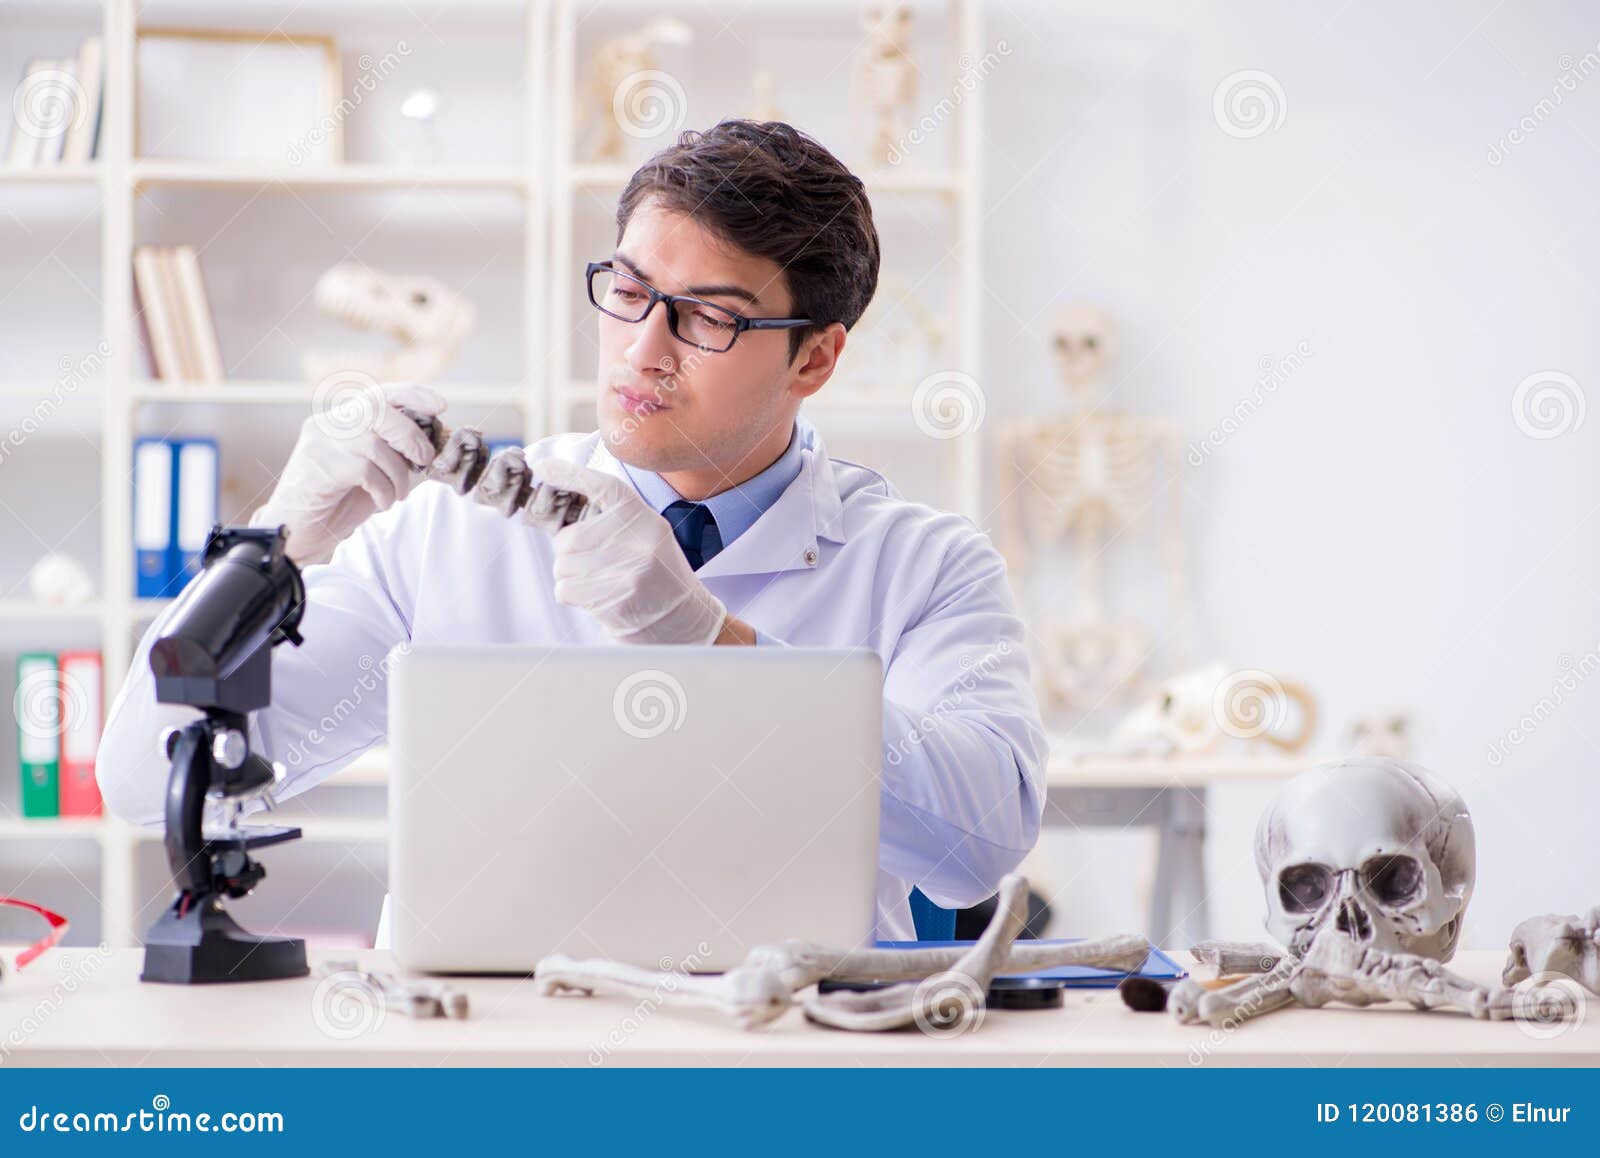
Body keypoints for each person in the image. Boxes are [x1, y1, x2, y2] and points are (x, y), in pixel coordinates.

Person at [97, 119, 1048, 939]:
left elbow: (982, 844)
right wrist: (271, 549)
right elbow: (148, 778)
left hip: (782, 1060)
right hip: (470, 1064)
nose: (643, 349)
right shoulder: (448, 534)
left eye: (707, 319)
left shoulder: (925, 566)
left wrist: (718, 649)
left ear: (815, 359)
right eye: (628, 292)